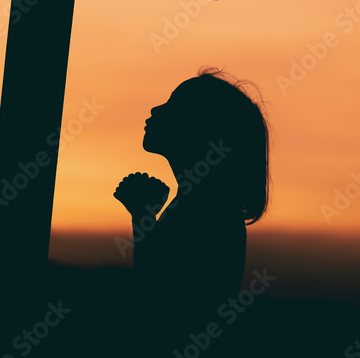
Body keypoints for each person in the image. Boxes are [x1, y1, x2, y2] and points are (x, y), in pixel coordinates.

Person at [113, 67, 270, 347]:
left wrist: (143, 214)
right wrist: (143, 215)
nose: (156, 109)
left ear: (201, 129)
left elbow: (155, 303)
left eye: (174, 106)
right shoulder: (204, 203)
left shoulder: (206, 211)